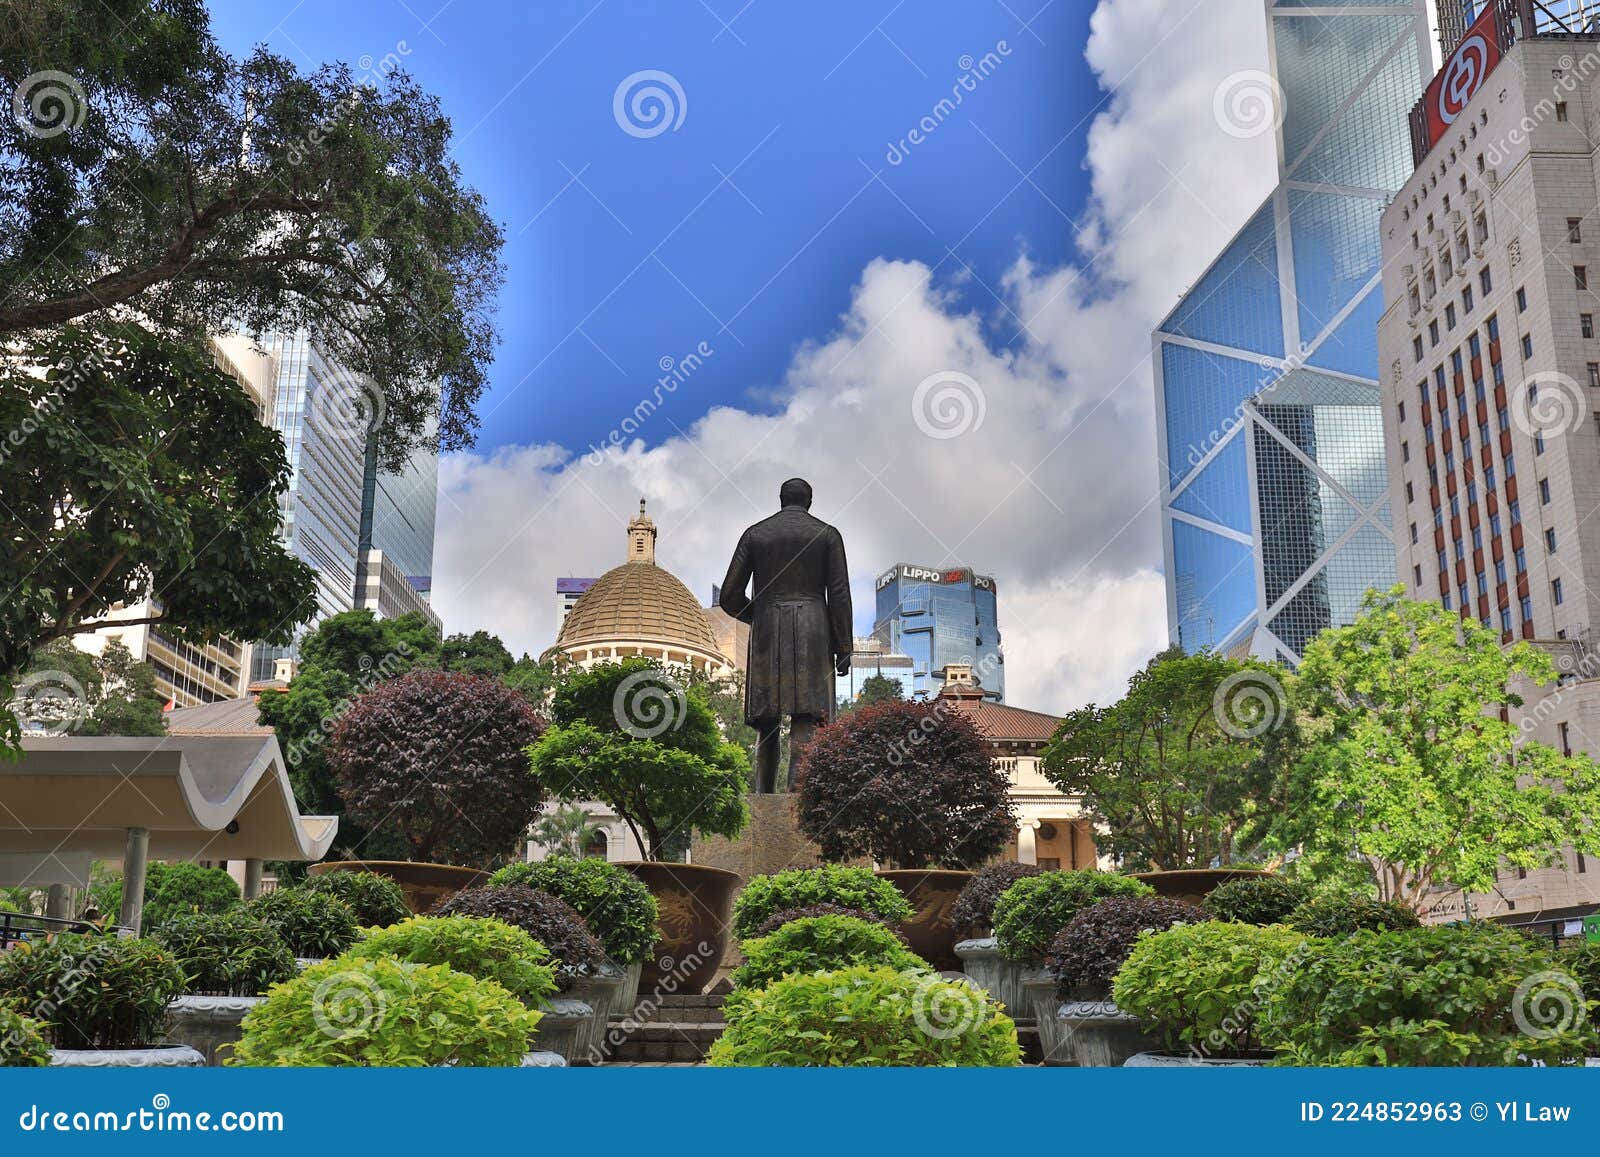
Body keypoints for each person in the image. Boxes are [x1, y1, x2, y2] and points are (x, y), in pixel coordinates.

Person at [719, 478, 852, 792]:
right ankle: (796, 797)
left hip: (768, 628)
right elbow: (840, 594)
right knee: (806, 717)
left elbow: (729, 595)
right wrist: (843, 645)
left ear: (781, 500)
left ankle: (762, 796)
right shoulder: (828, 535)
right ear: (809, 501)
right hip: (815, 632)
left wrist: (758, 616)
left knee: (767, 722)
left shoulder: (755, 534)